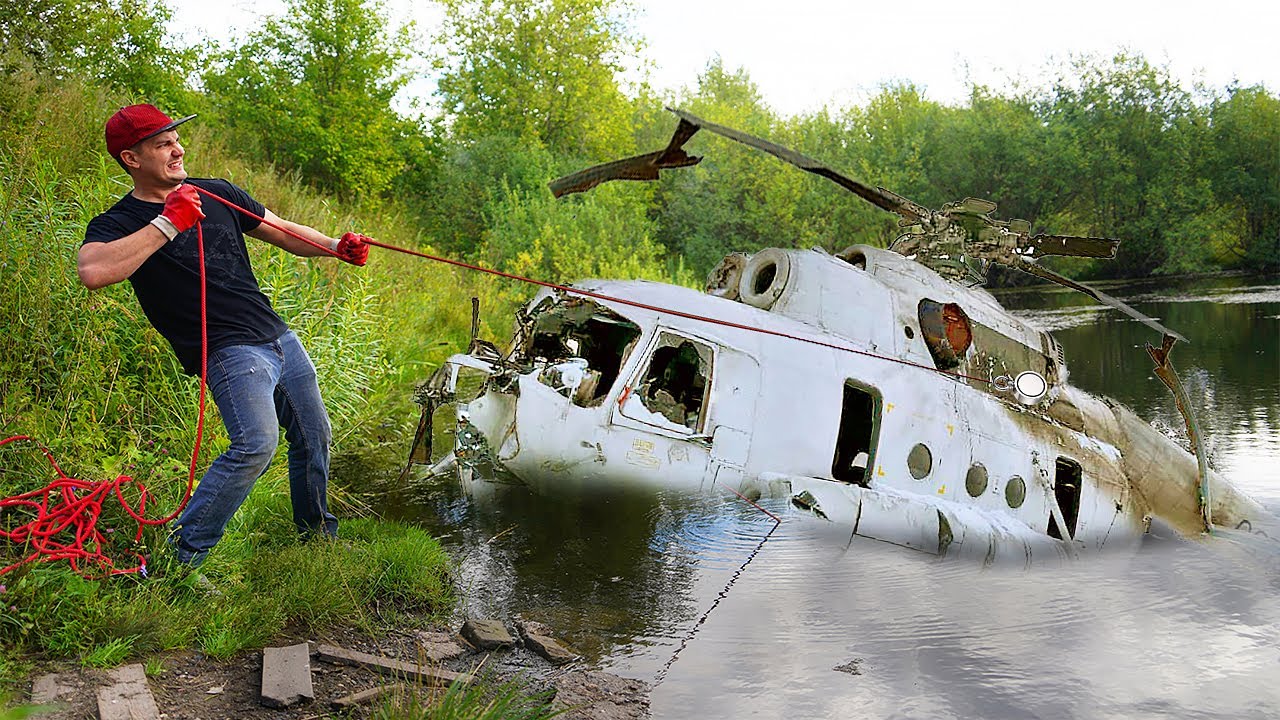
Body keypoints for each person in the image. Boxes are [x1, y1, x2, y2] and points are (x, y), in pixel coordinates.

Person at [78, 103, 370, 568]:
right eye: (163, 145)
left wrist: (334, 247)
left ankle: (317, 539)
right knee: (256, 443)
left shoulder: (216, 192)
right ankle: (181, 558)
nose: (178, 150)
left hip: (277, 335)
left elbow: (282, 230)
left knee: (314, 435)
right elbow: (93, 271)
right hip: (227, 350)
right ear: (132, 159)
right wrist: (168, 222)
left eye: (176, 140)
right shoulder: (119, 222)